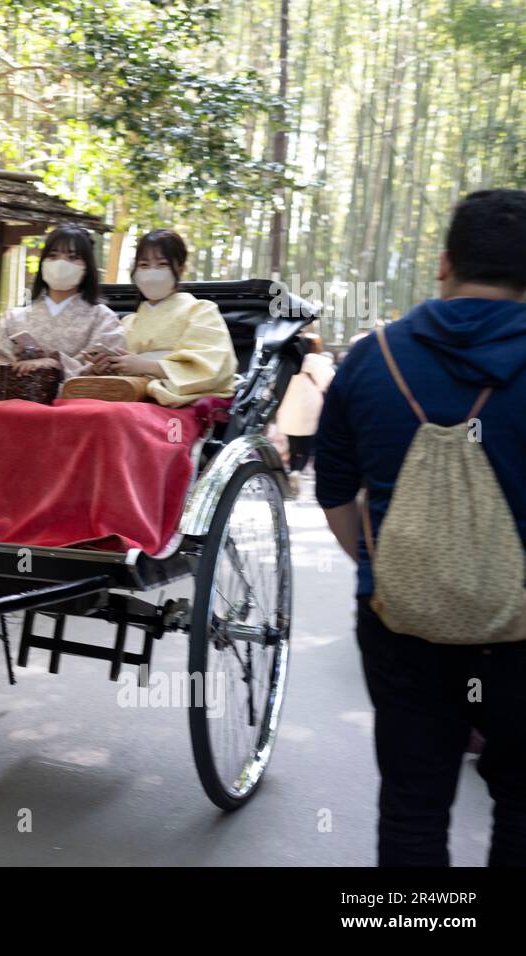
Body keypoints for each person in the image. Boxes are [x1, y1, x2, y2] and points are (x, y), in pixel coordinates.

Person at [315, 188, 526, 867]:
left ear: (443, 264)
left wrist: (394, 569)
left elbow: (334, 496)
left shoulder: (371, 358)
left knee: (413, 802)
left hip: (400, 624)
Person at [0, 223, 124, 410]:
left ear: (87, 267)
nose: (61, 263)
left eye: (73, 257)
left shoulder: (103, 318)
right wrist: (20, 367)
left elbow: (109, 368)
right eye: (53, 256)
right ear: (43, 263)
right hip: (16, 397)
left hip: (76, 404)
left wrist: (55, 364)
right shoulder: (16, 317)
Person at [82, 229, 237, 407]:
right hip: (131, 398)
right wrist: (106, 367)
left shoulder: (201, 311)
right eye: (144, 265)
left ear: (181, 268)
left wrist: (147, 366)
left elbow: (212, 367)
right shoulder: (127, 323)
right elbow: (123, 374)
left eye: (162, 264)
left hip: (178, 402)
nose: (151, 272)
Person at [275, 332, 335, 496]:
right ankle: (298, 471)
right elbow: (328, 382)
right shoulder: (318, 361)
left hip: (288, 405)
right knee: (307, 445)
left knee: (293, 444)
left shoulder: (286, 360)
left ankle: (293, 470)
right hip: (310, 406)